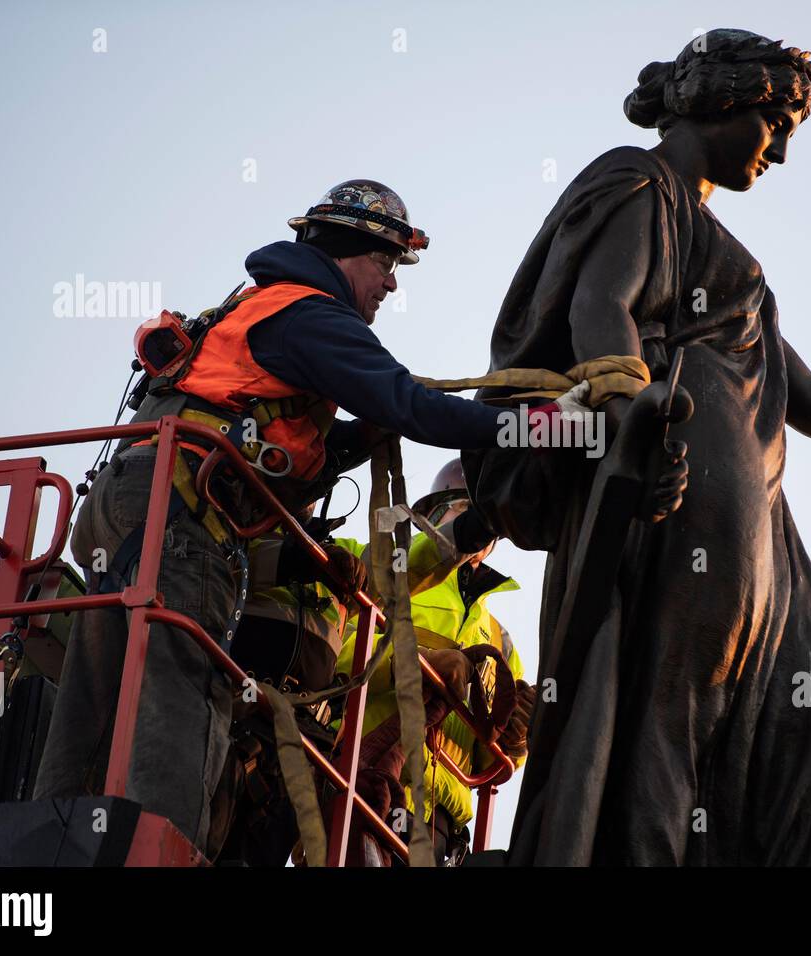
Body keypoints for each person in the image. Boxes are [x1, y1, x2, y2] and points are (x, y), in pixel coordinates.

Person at [462, 30, 811, 866]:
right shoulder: (638, 181)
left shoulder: (741, 272)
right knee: (664, 735)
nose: (784, 151)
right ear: (721, 100)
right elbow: (599, 311)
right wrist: (631, 430)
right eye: (776, 121)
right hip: (677, 504)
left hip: (759, 537)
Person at [33, 180, 587, 852]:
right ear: (351, 251)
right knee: (186, 683)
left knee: (96, 692)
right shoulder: (316, 317)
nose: (389, 285)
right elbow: (412, 404)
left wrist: (358, 437)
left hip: (126, 501)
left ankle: (47, 844)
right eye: (385, 265)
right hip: (182, 511)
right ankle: (165, 851)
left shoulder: (258, 309)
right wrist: (546, 426)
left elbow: (282, 435)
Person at [333, 460, 533, 866]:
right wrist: (419, 661)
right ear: (433, 515)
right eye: (466, 509)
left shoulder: (500, 642)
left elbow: (492, 761)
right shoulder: (384, 575)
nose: (481, 526)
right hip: (366, 780)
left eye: (486, 517)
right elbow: (337, 648)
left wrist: (516, 738)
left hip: (442, 826)